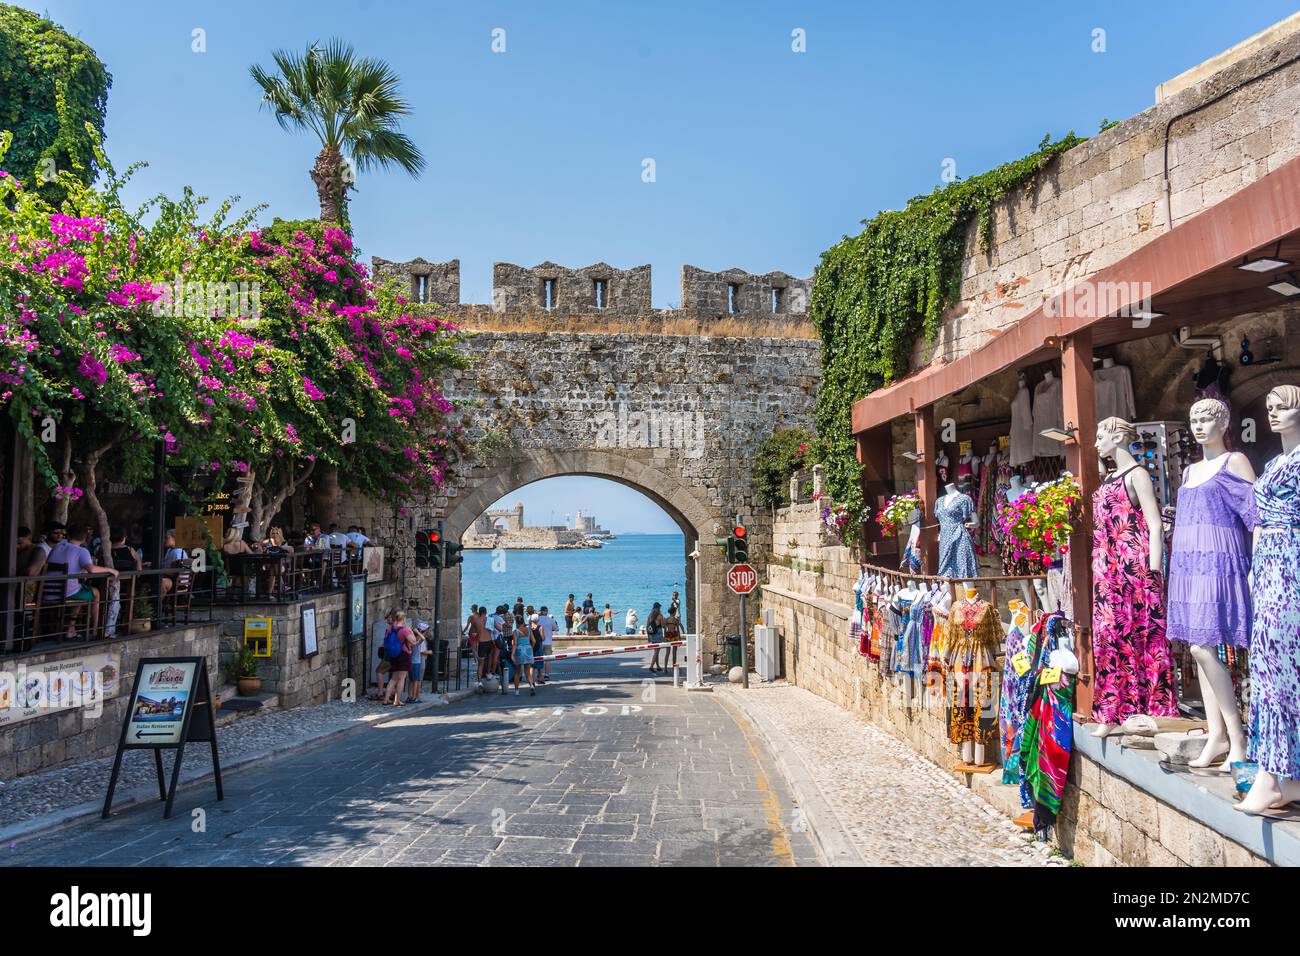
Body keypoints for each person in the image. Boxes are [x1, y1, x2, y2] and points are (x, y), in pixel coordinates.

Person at [47, 525, 118, 640]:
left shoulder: (56, 547)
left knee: (81, 590)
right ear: (85, 538)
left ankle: (71, 629)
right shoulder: (81, 551)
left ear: (69, 535)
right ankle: (96, 631)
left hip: (48, 592)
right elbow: (92, 569)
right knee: (96, 593)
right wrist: (110, 569)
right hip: (66, 593)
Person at [383, 611, 415, 705]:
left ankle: (386, 699)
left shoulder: (390, 629)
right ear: (403, 618)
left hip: (393, 655)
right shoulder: (405, 630)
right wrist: (411, 631)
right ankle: (397, 700)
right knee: (402, 678)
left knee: (393, 678)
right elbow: (413, 641)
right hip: (404, 654)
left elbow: (385, 640)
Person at [371, 609, 397, 700]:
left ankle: (381, 692)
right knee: (393, 674)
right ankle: (391, 693)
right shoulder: (395, 628)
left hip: (389, 655)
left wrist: (384, 646)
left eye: (388, 618)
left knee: (379, 671)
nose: (387, 620)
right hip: (392, 654)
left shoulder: (392, 629)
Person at [511, 613, 536, 696]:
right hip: (528, 649)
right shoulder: (528, 629)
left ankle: (517, 691)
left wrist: (512, 654)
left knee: (517, 672)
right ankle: (531, 686)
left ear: (516, 623)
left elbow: (515, 644)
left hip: (519, 650)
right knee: (527, 671)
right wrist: (530, 647)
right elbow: (534, 641)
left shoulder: (516, 631)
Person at [406, 622, 429, 703]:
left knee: (411, 680)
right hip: (416, 662)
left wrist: (415, 631)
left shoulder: (411, 640)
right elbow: (423, 638)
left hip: (411, 662)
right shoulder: (417, 641)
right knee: (416, 680)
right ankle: (414, 698)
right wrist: (418, 632)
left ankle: (409, 696)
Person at [536, 605, 557, 683]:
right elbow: (556, 628)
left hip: (539, 642)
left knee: (539, 659)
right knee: (548, 660)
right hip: (548, 642)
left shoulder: (537, 620)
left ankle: (539, 675)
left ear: (541, 611)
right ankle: (547, 675)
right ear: (547, 611)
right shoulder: (550, 620)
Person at [646, 602, 666, 671]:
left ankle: (658, 666)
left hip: (652, 635)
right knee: (657, 651)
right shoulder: (660, 616)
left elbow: (647, 626)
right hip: (658, 635)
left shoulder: (650, 615)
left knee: (656, 650)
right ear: (658, 608)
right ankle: (651, 666)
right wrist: (665, 620)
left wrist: (648, 636)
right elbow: (663, 626)